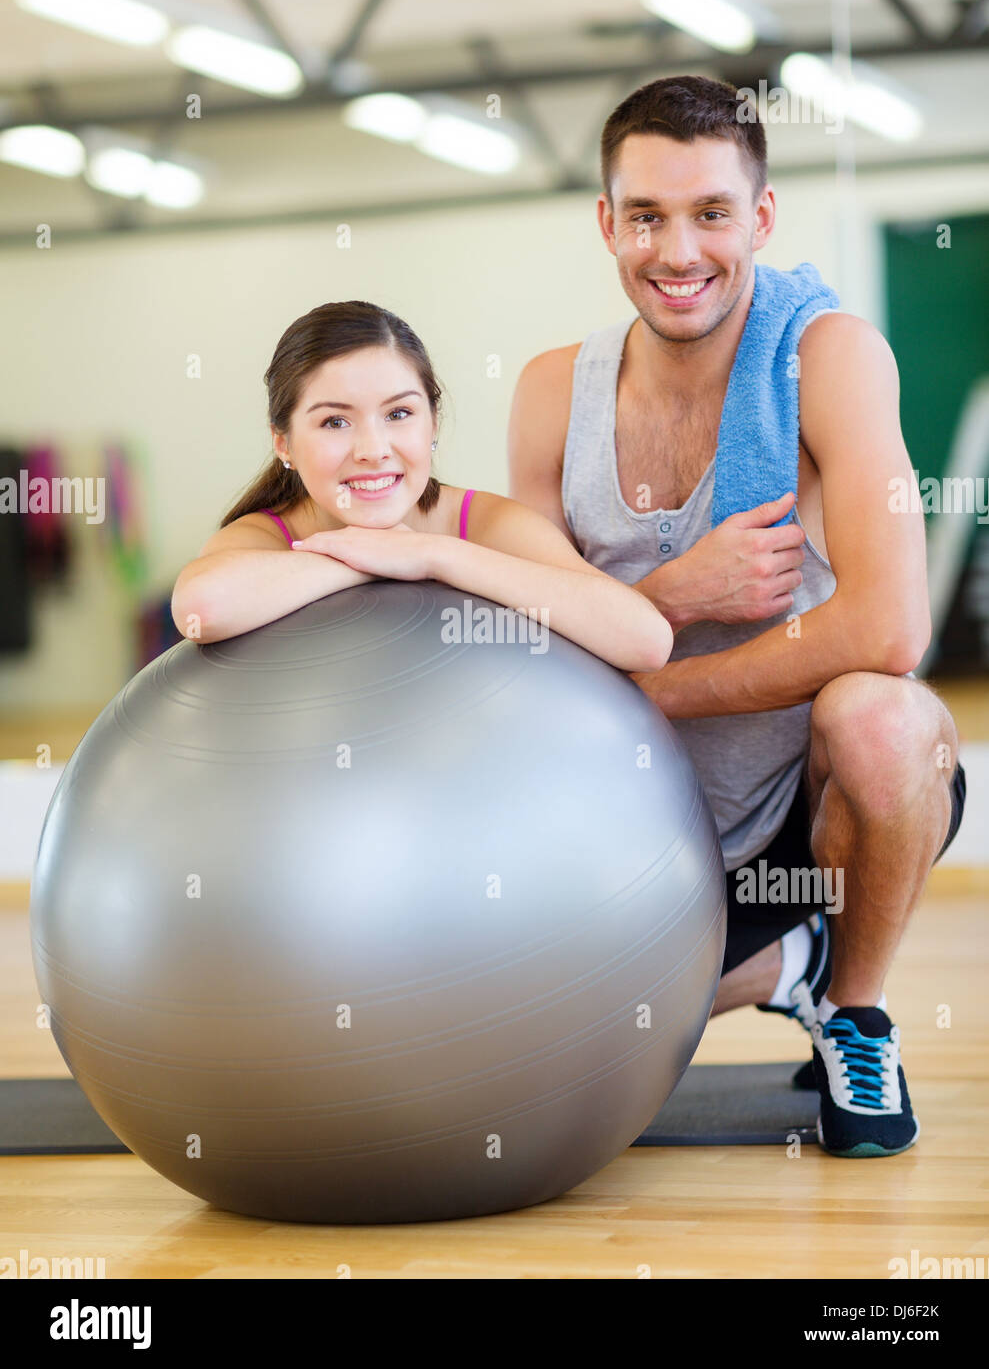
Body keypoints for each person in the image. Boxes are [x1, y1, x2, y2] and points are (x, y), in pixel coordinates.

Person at [507, 75, 966, 1158]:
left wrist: (648, 684)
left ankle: (852, 1007)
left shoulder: (830, 357)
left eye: (710, 213)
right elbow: (527, 638)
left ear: (758, 218)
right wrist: (673, 596)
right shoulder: (545, 393)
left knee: (879, 715)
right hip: (627, 832)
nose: (678, 251)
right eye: (646, 216)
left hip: (793, 818)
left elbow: (890, 630)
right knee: (523, 1045)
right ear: (605, 224)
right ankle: (792, 965)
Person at [170, 299, 673, 681]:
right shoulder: (266, 535)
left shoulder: (485, 523)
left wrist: (433, 556)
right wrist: (364, 556)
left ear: (433, 422)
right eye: (334, 422)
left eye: (398, 414)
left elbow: (645, 640)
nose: (373, 448)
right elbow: (202, 609)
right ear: (283, 441)